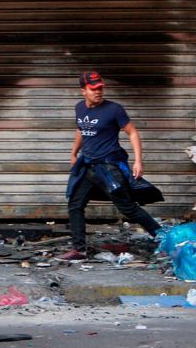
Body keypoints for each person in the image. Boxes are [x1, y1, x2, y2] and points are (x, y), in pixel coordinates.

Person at [61, 71, 162, 262]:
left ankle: (162, 237)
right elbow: (81, 130)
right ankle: (79, 250)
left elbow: (132, 133)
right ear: (83, 91)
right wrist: (74, 152)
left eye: (100, 88)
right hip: (87, 166)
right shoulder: (79, 109)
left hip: (108, 168)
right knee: (75, 205)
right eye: (93, 89)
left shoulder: (114, 109)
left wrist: (138, 160)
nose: (98, 92)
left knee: (128, 208)